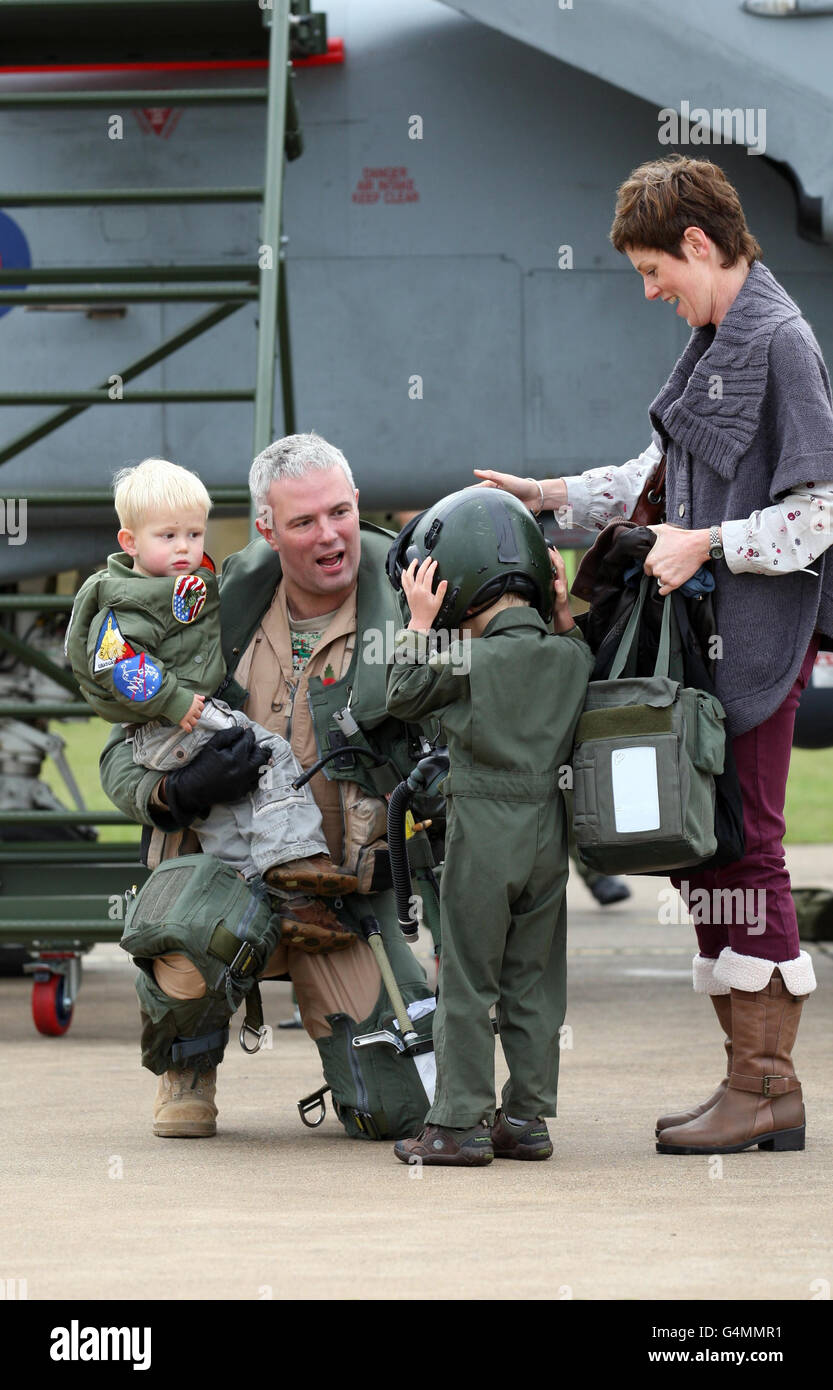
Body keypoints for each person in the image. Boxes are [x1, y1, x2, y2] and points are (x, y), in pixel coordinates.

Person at [475, 155, 833, 1156]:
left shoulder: (780, 344)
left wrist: (707, 542)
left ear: (696, 245)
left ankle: (764, 1087)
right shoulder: (720, 337)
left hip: (757, 641)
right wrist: (548, 495)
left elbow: (818, 512)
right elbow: (654, 471)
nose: (648, 292)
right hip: (704, 644)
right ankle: (748, 1084)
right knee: (704, 849)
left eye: (650, 270)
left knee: (748, 852)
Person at [99, 434, 439, 1138]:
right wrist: (179, 790)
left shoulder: (410, 612)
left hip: (337, 893)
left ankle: (360, 1069)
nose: (329, 536)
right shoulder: (202, 619)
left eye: (340, 513)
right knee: (186, 939)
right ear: (267, 530)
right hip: (219, 888)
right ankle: (186, 1065)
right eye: (303, 522)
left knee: (398, 1114)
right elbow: (118, 754)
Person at [386, 488, 593, 1165]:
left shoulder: (465, 661)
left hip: (484, 824)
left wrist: (417, 626)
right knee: (532, 980)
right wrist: (561, 613)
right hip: (547, 830)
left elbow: (401, 697)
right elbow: (576, 655)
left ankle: (457, 1123)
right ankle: (526, 1119)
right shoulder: (568, 656)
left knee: (469, 978)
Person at [66, 458, 358, 939]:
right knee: (268, 756)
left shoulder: (182, 586)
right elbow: (114, 662)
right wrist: (176, 700)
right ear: (129, 542)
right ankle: (301, 855)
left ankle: (265, 904)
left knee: (222, 815)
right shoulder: (130, 598)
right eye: (168, 537)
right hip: (173, 724)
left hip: (170, 725)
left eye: (194, 535)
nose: (185, 548)